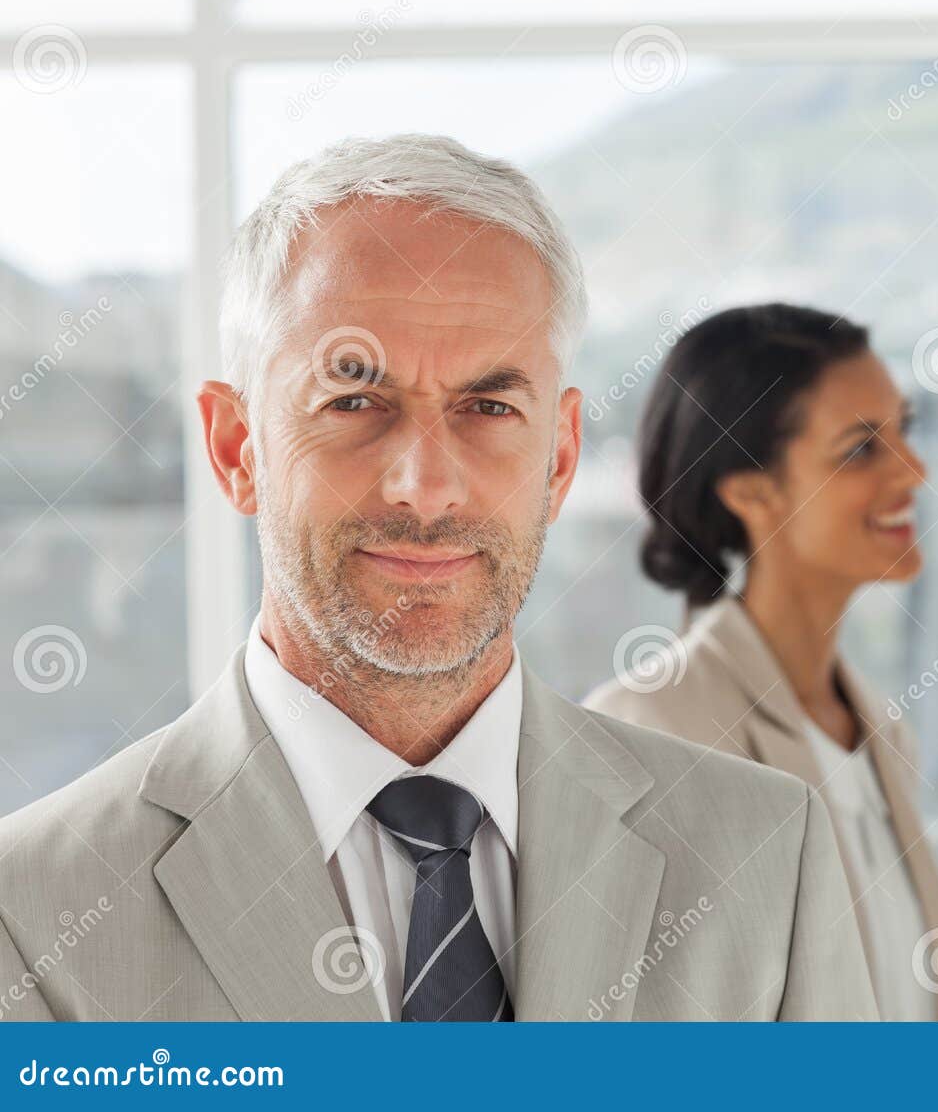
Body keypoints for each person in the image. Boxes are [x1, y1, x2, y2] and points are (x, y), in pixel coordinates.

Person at [0, 136, 876, 1022]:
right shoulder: (35, 912)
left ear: (561, 456)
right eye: (353, 400)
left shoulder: (767, 856)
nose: (426, 485)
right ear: (237, 449)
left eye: (489, 407)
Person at [585, 304, 938, 1021]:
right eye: (863, 449)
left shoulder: (881, 734)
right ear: (748, 489)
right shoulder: (651, 726)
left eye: (906, 431)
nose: (913, 470)